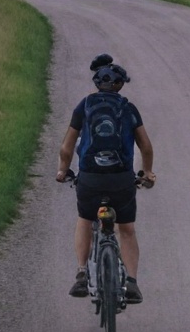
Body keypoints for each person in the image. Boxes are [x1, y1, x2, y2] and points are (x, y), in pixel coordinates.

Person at [56, 54, 155, 303]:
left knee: (84, 219)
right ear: (120, 85)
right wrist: (147, 172)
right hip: (121, 180)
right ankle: (131, 282)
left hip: (90, 178)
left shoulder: (85, 105)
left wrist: (62, 170)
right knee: (127, 230)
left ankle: (81, 273)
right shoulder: (128, 108)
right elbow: (146, 147)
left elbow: (67, 147)